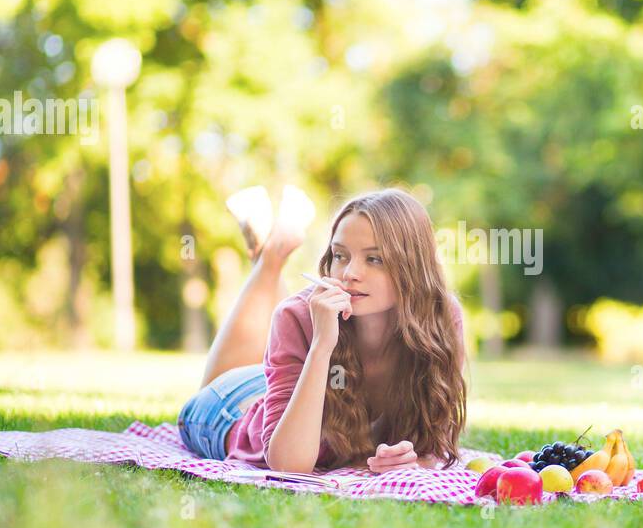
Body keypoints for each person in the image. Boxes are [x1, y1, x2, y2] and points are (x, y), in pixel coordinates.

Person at [177, 186, 469, 474]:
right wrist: (321, 345)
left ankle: (267, 252)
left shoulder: (440, 318)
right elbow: (290, 465)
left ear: (412, 265)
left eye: (374, 259)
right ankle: (270, 257)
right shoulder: (299, 315)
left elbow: (431, 446)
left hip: (274, 383)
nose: (350, 274)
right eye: (340, 256)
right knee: (293, 317)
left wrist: (408, 459)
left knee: (289, 338)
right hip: (228, 409)